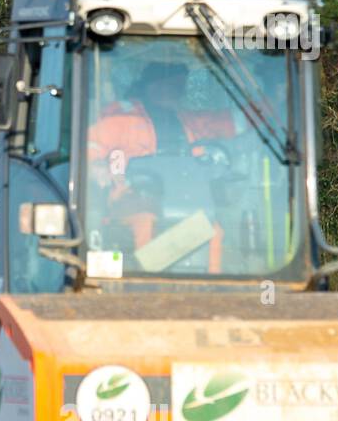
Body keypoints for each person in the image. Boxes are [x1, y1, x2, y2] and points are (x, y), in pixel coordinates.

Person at [87, 60, 239, 270]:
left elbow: (232, 122)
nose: (180, 92)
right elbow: (91, 143)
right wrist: (96, 165)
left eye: (181, 87)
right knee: (146, 220)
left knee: (212, 228)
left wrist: (277, 101)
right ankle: (146, 284)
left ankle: (210, 287)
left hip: (184, 199)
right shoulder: (122, 117)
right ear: (154, 86)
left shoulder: (187, 120)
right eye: (175, 87)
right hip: (130, 199)